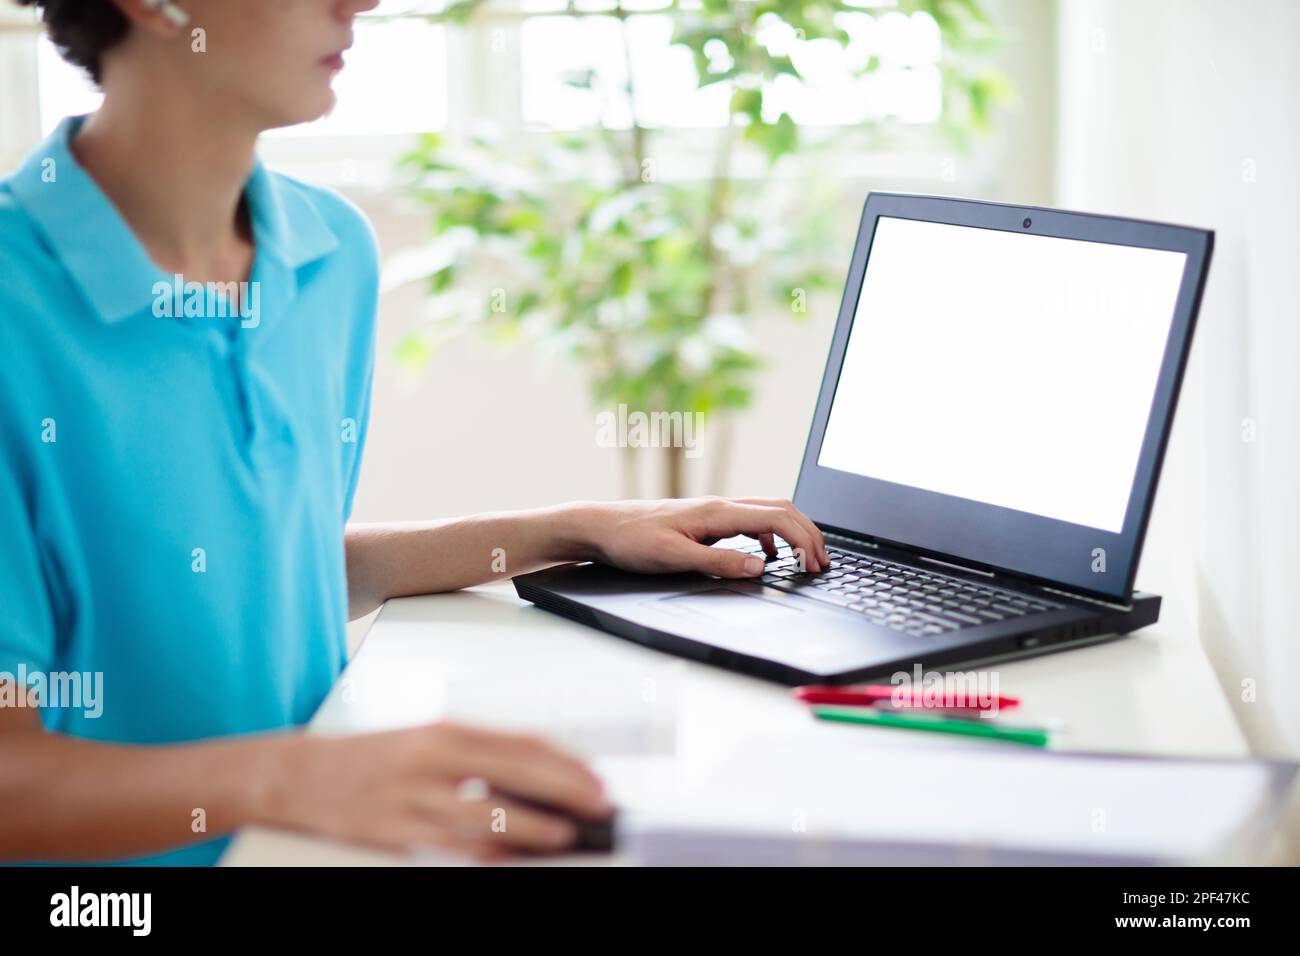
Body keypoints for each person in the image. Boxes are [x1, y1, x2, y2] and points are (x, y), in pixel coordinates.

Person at [0, 0, 829, 865]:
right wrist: (295, 778)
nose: (361, 2)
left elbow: (273, 572)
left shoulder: (327, 256)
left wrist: (572, 530)